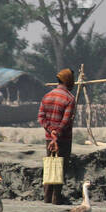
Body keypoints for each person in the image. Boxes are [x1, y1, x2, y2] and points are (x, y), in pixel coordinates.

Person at [38, 68, 77, 203]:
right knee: (61, 167)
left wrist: (51, 132)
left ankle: (47, 197)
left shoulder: (47, 96)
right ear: (69, 81)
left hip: (49, 139)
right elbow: (65, 121)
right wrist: (57, 134)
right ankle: (56, 198)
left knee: (50, 165)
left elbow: (41, 117)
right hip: (63, 140)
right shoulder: (70, 99)